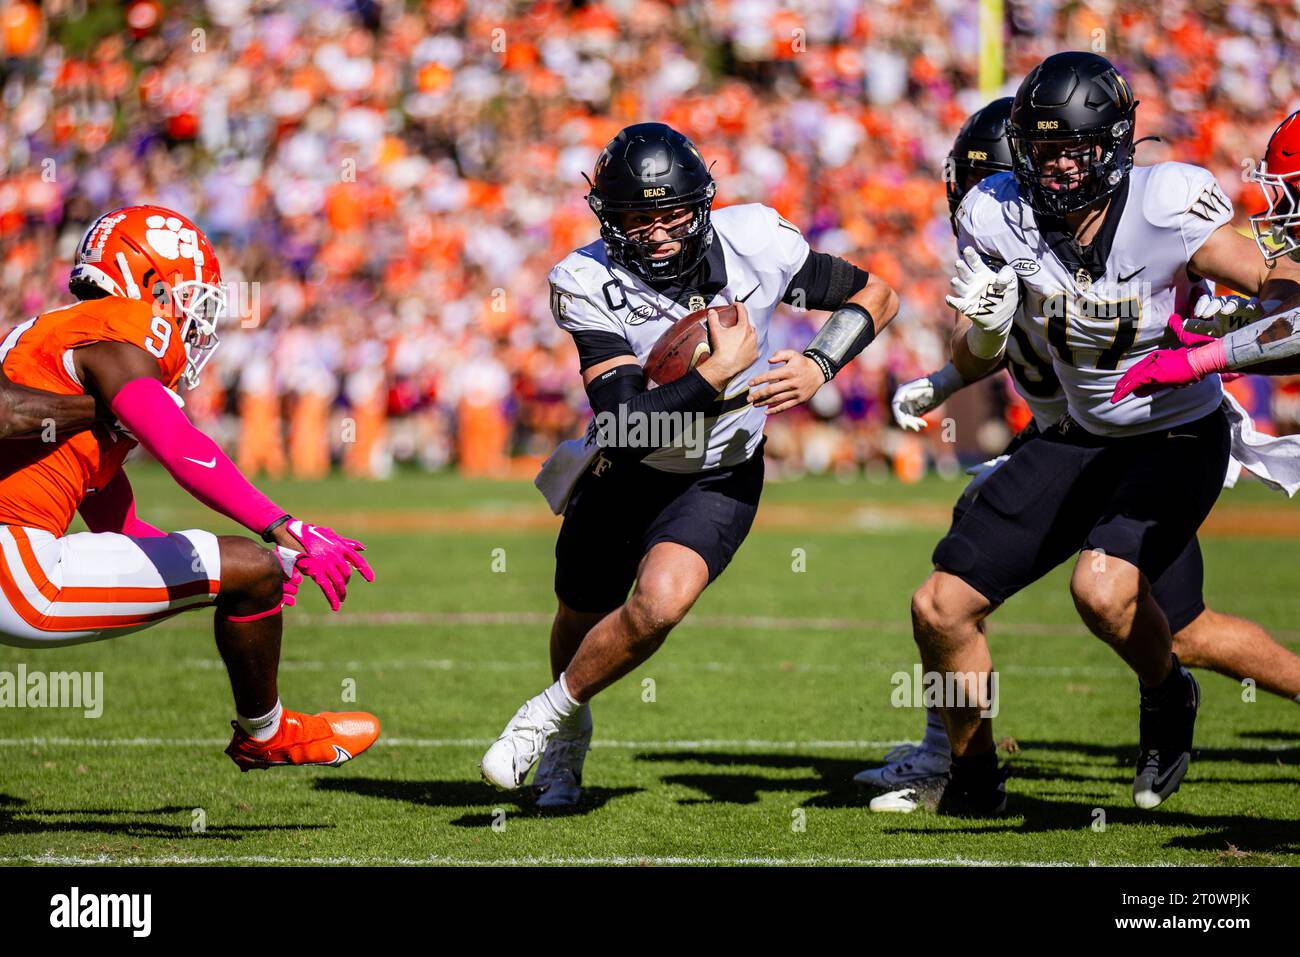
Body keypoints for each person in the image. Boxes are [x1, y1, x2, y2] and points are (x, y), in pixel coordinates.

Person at [862, 99, 1300, 811]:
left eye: (1075, 148)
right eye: (1042, 149)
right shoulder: (999, 219)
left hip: (1170, 433)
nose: (1058, 166)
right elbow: (984, 353)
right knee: (941, 606)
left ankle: (1166, 700)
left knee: (1131, 605)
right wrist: (966, 349)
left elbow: (1280, 291)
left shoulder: (1162, 204)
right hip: (1075, 436)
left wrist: (1218, 337)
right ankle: (965, 775)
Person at [479, 123, 900, 806]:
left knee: (659, 604)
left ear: (701, 204)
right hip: (625, 470)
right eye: (639, 218)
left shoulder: (754, 241)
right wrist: (716, 377)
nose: (660, 232)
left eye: (673, 213)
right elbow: (620, 428)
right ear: (611, 220)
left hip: (719, 469)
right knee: (579, 611)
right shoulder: (587, 280)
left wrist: (822, 362)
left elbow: (878, 294)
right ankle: (570, 741)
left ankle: (547, 719)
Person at [0, 205, 379, 771]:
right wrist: (283, 529)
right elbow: (181, 448)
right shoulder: (124, 323)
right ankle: (267, 733)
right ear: (149, 282)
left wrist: (233, 572)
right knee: (252, 566)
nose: (196, 321)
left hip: (19, 551)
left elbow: (118, 524)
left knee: (249, 568)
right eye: (190, 297)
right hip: (17, 571)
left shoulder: (53, 338)